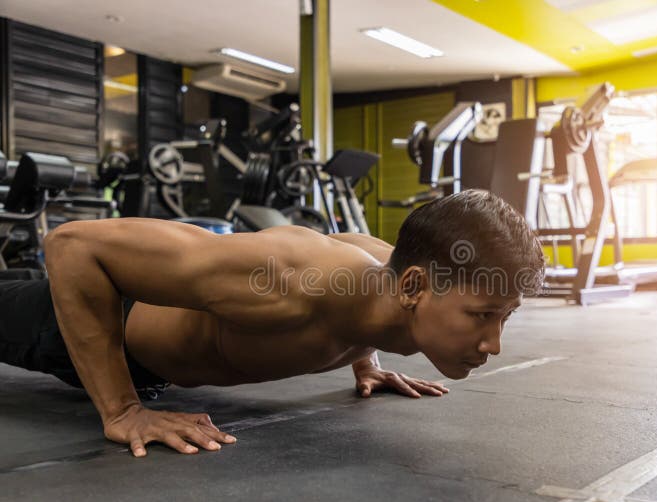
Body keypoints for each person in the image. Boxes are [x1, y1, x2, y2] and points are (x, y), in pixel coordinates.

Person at [0, 190, 544, 457]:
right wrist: (123, 411)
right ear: (414, 289)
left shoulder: (396, 282)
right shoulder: (286, 277)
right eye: (482, 315)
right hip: (84, 326)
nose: (494, 343)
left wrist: (368, 362)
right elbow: (72, 245)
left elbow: (363, 297)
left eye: (506, 315)